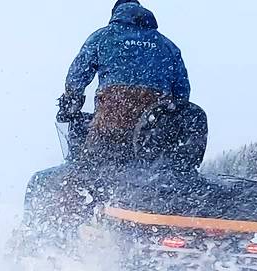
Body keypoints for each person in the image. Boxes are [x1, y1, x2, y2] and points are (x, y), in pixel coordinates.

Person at [59, 1, 191, 161]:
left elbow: (77, 74)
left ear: (116, 14)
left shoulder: (102, 37)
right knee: (157, 166)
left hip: (113, 118)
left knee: (87, 166)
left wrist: (70, 104)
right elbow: (182, 92)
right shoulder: (168, 45)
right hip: (154, 126)